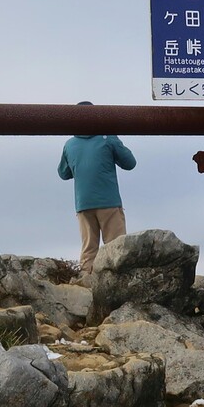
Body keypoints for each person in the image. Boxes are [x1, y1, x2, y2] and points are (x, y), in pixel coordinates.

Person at [57, 104, 136, 278]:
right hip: (109, 201)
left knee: (89, 249)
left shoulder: (70, 144)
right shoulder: (108, 138)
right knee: (115, 247)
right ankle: (117, 281)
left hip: (83, 203)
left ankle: (86, 281)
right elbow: (130, 163)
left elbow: (63, 173)